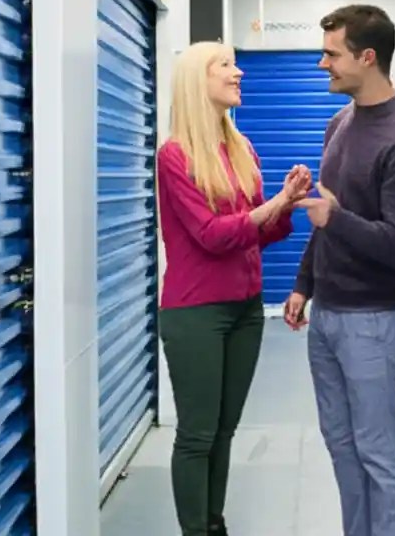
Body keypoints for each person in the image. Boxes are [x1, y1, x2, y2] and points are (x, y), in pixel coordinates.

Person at [286, 5, 395, 536]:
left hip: (374, 321)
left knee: (380, 451)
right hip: (327, 316)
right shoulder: (339, 124)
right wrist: (304, 284)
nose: (322, 63)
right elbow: (326, 214)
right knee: (342, 446)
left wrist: (337, 218)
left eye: (332, 53)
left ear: (367, 57)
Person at [156, 41, 313, 536]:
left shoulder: (241, 150)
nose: (237, 71)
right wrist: (272, 207)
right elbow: (211, 235)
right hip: (195, 313)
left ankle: (214, 524)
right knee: (198, 434)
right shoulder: (175, 156)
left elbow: (258, 233)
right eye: (224, 64)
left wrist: (287, 205)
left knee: (224, 431)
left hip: (245, 309)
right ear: (194, 81)